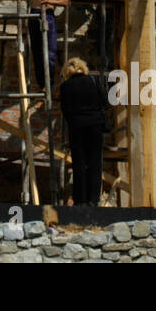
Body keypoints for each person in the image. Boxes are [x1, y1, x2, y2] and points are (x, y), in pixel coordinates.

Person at [59, 56, 108, 206]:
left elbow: (65, 109)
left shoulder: (65, 86)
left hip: (77, 126)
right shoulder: (93, 81)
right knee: (95, 162)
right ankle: (94, 198)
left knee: (79, 162)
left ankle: (80, 198)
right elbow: (104, 102)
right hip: (95, 126)